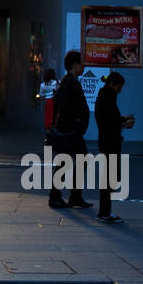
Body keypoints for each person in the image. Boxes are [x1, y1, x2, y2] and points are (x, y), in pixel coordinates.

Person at [49, 50, 92, 210]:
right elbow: (66, 106)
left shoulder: (71, 80)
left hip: (71, 130)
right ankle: (61, 196)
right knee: (69, 161)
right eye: (82, 63)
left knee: (71, 161)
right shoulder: (69, 82)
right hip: (70, 131)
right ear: (74, 65)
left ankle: (72, 196)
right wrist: (76, 123)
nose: (84, 65)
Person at [94, 72, 133, 224]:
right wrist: (123, 123)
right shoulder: (108, 98)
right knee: (110, 177)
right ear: (112, 84)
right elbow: (109, 122)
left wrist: (122, 119)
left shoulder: (105, 96)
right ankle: (104, 212)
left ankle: (105, 211)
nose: (120, 90)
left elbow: (110, 119)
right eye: (119, 87)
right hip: (110, 141)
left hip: (108, 140)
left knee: (111, 176)